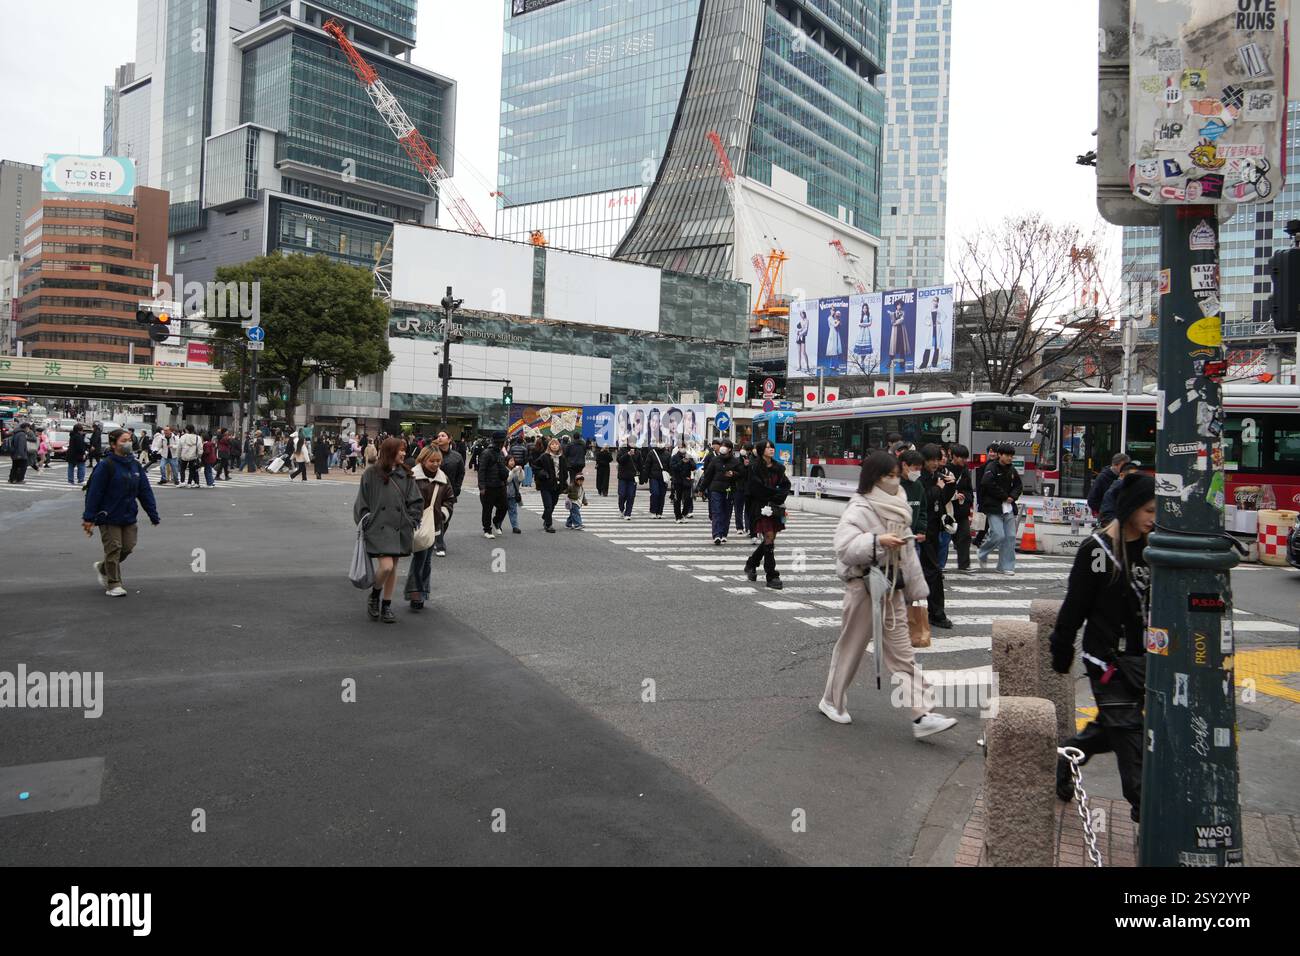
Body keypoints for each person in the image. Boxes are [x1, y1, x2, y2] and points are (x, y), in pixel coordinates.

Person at [819, 450, 957, 737]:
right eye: (888, 476)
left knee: (903, 654)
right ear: (874, 478)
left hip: (892, 588)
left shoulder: (900, 503)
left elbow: (907, 554)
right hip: (864, 587)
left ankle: (922, 715)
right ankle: (831, 700)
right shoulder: (860, 507)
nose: (895, 481)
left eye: (897, 475)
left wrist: (915, 592)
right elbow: (843, 547)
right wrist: (877, 541)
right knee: (851, 648)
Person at [1050, 474, 1155, 824]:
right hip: (1106, 659)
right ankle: (1146, 810)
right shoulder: (1096, 550)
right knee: (1128, 734)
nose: (1153, 518)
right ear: (1127, 509)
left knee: (1113, 729)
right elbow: (1073, 607)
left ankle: (1069, 754)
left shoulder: (1154, 548)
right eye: (1148, 510)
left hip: (1145, 659)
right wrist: (1061, 650)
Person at [353, 437, 424, 624]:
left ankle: (386, 605)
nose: (404, 453)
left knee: (393, 568)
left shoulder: (406, 475)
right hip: (378, 528)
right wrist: (366, 520)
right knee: (386, 566)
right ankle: (375, 594)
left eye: (404, 450)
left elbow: (416, 501)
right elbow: (362, 502)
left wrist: (412, 519)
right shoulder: (371, 474)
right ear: (389, 451)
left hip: (400, 527)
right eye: (400, 450)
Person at [82, 428, 161, 597]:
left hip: (128, 515)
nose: (128, 443)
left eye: (129, 440)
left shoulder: (135, 465)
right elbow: (94, 493)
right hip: (108, 515)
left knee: (128, 547)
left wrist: (153, 513)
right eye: (123, 440)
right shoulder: (106, 466)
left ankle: (103, 567)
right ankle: (114, 584)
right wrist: (89, 518)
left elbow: (145, 491)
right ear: (113, 444)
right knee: (114, 548)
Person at [404, 445, 452, 611]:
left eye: (438, 461)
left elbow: (449, 499)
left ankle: (418, 593)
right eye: (432, 461)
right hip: (413, 523)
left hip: (433, 524)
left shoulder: (443, 478)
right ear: (423, 460)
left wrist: (443, 514)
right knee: (421, 560)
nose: (436, 464)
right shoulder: (412, 476)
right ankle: (417, 593)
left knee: (425, 560)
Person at [743, 440, 791, 590]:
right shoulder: (754, 467)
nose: (771, 449)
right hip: (760, 505)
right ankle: (772, 575)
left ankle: (751, 563)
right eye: (768, 447)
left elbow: (786, 485)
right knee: (769, 536)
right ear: (761, 449)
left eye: (772, 447)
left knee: (771, 538)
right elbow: (756, 488)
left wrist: (778, 496)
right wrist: (774, 494)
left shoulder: (778, 467)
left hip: (775, 506)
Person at [918, 444, 955, 630]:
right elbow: (923, 500)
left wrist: (950, 484)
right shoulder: (919, 478)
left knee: (933, 572)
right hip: (919, 532)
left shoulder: (939, 477)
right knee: (929, 572)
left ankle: (937, 614)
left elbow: (942, 499)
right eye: (931, 460)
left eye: (937, 459)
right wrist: (938, 489)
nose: (934, 463)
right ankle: (936, 614)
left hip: (933, 531)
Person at [977, 443, 1023, 576]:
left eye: (1011, 456)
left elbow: (1018, 485)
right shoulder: (991, 467)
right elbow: (987, 483)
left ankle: (1005, 566)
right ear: (1000, 455)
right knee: (998, 534)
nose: (1010, 458)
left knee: (1010, 537)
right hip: (993, 507)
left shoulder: (1012, 469)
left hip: (1008, 507)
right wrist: (1004, 496)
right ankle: (982, 552)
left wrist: (1012, 497)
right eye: (1007, 455)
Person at [701, 439, 742, 545]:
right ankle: (716, 535)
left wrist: (733, 474)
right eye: (722, 445)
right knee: (717, 512)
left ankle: (724, 534)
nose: (723, 447)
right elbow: (708, 475)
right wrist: (701, 489)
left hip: (729, 490)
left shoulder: (735, 461)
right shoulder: (715, 460)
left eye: (725, 446)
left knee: (726, 513)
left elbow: (742, 474)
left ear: (730, 449)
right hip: (715, 489)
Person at [432, 431, 464, 555]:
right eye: (438, 436)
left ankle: (437, 536)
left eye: (443, 436)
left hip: (450, 492)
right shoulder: (432, 453)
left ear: (449, 439)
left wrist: (457, 487)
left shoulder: (457, 456)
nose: (440, 438)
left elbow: (461, 473)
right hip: (434, 490)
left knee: (446, 517)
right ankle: (440, 544)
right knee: (438, 516)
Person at [946, 444, 974, 573]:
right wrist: (954, 495)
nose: (964, 460)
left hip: (962, 509)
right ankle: (940, 564)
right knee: (945, 538)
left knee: (965, 535)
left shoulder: (965, 470)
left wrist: (968, 501)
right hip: (948, 509)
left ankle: (964, 564)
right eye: (961, 458)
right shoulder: (946, 469)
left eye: (965, 458)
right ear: (954, 456)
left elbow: (969, 489)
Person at [478, 432, 510, 538]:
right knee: (487, 509)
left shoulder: (501, 453)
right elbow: (481, 470)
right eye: (504, 440)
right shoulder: (487, 453)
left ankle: (496, 521)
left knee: (504, 506)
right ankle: (487, 530)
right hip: (488, 486)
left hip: (500, 485)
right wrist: (482, 486)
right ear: (500, 441)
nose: (506, 442)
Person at [532, 436, 567, 533]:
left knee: (553, 504)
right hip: (546, 485)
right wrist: (543, 474)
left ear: (559, 446)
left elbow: (565, 471)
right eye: (552, 444)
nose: (554, 446)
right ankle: (548, 525)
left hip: (557, 485)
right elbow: (535, 466)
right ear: (549, 446)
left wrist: (564, 482)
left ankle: (545, 517)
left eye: (556, 444)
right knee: (548, 505)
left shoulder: (562, 457)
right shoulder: (544, 456)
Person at [1098, 460, 1142, 526]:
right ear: (1121, 475)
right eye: (1131, 477)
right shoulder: (1113, 492)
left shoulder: (1134, 490)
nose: (1134, 479)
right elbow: (1107, 517)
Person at [898, 449, 927, 539]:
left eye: (920, 469)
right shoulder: (894, 484)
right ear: (904, 465)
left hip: (912, 537)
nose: (918, 472)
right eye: (915, 468)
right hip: (895, 536)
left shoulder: (918, 486)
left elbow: (922, 510)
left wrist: (921, 530)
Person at [669, 446, 696, 522]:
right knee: (677, 499)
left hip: (686, 481)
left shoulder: (689, 456)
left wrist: (689, 461)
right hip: (677, 481)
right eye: (681, 447)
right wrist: (681, 462)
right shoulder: (674, 457)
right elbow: (672, 467)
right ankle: (678, 517)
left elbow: (694, 467)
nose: (682, 448)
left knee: (688, 499)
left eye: (684, 447)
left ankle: (684, 514)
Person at [616, 441, 640, 521]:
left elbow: (640, 465)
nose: (632, 443)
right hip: (623, 477)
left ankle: (628, 513)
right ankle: (621, 508)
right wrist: (628, 454)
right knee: (622, 494)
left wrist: (642, 477)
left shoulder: (638, 452)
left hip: (633, 478)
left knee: (631, 495)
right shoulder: (623, 450)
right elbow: (619, 460)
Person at [645, 443, 670, 519]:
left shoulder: (667, 454)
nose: (660, 444)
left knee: (662, 495)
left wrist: (671, 475)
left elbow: (670, 466)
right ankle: (653, 511)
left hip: (663, 478)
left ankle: (659, 512)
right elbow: (647, 465)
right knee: (655, 493)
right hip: (653, 477)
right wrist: (645, 477)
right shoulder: (652, 453)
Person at [733, 445, 751, 537]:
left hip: (749, 489)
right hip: (738, 488)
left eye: (746, 449)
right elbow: (736, 474)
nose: (744, 451)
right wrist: (744, 466)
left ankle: (748, 527)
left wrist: (748, 466)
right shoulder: (736, 461)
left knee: (748, 509)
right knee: (738, 509)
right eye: (743, 449)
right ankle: (739, 527)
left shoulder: (752, 460)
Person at [504, 455, 524, 534]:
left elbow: (521, 479)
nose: (512, 463)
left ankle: (515, 527)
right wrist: (512, 472)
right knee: (502, 511)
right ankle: (498, 524)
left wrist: (521, 471)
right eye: (510, 461)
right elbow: (507, 481)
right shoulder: (504, 470)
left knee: (513, 511)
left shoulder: (516, 470)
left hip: (513, 494)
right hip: (504, 494)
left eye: (513, 461)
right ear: (507, 462)